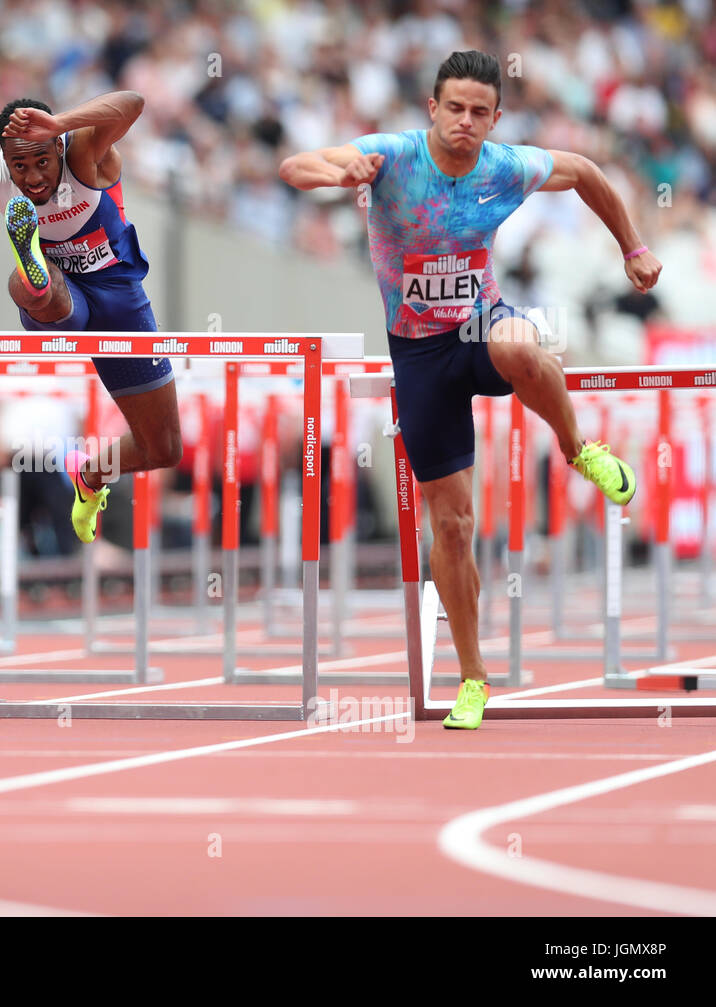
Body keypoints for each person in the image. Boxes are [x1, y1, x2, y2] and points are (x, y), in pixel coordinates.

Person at [280, 50, 661, 730]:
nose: (464, 121)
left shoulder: (505, 166)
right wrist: (339, 171)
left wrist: (632, 247)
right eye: (453, 108)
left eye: (478, 112)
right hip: (419, 352)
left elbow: (586, 173)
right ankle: (473, 677)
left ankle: (577, 449)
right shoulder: (392, 157)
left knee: (521, 343)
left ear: (495, 118)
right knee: (452, 526)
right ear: (432, 108)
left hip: (481, 326)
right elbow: (294, 166)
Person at [0, 91, 182, 544]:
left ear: (58, 146)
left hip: (119, 298)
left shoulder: (83, 151)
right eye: (19, 167)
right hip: (62, 300)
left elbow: (132, 103)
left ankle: (90, 476)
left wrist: (60, 122)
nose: (32, 178)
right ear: (4, 161)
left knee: (162, 447)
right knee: (41, 290)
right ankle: (30, 266)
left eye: (41, 162)